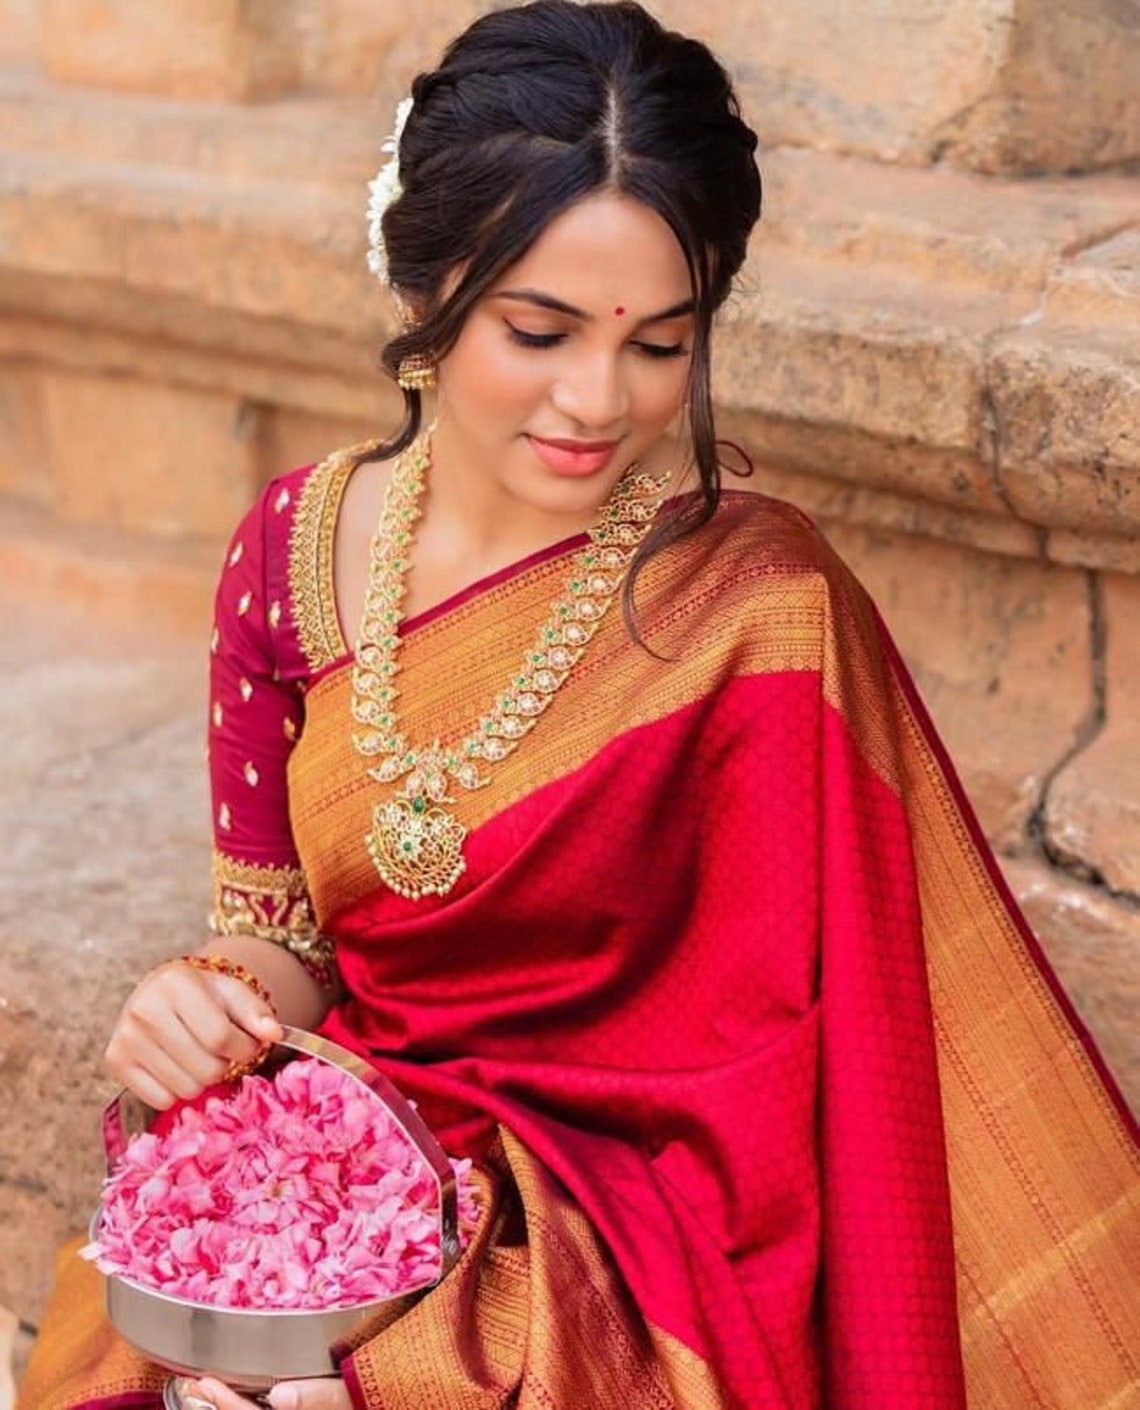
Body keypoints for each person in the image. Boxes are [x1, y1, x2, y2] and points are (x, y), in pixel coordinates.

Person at [20, 3, 1139, 1408]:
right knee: (192, 1349)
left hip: (651, 1224)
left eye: (661, 344)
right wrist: (207, 1007)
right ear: (423, 289)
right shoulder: (289, 557)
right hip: (375, 1161)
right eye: (539, 330)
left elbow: (791, 1071)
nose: (597, 399)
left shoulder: (756, 607)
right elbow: (281, 941)